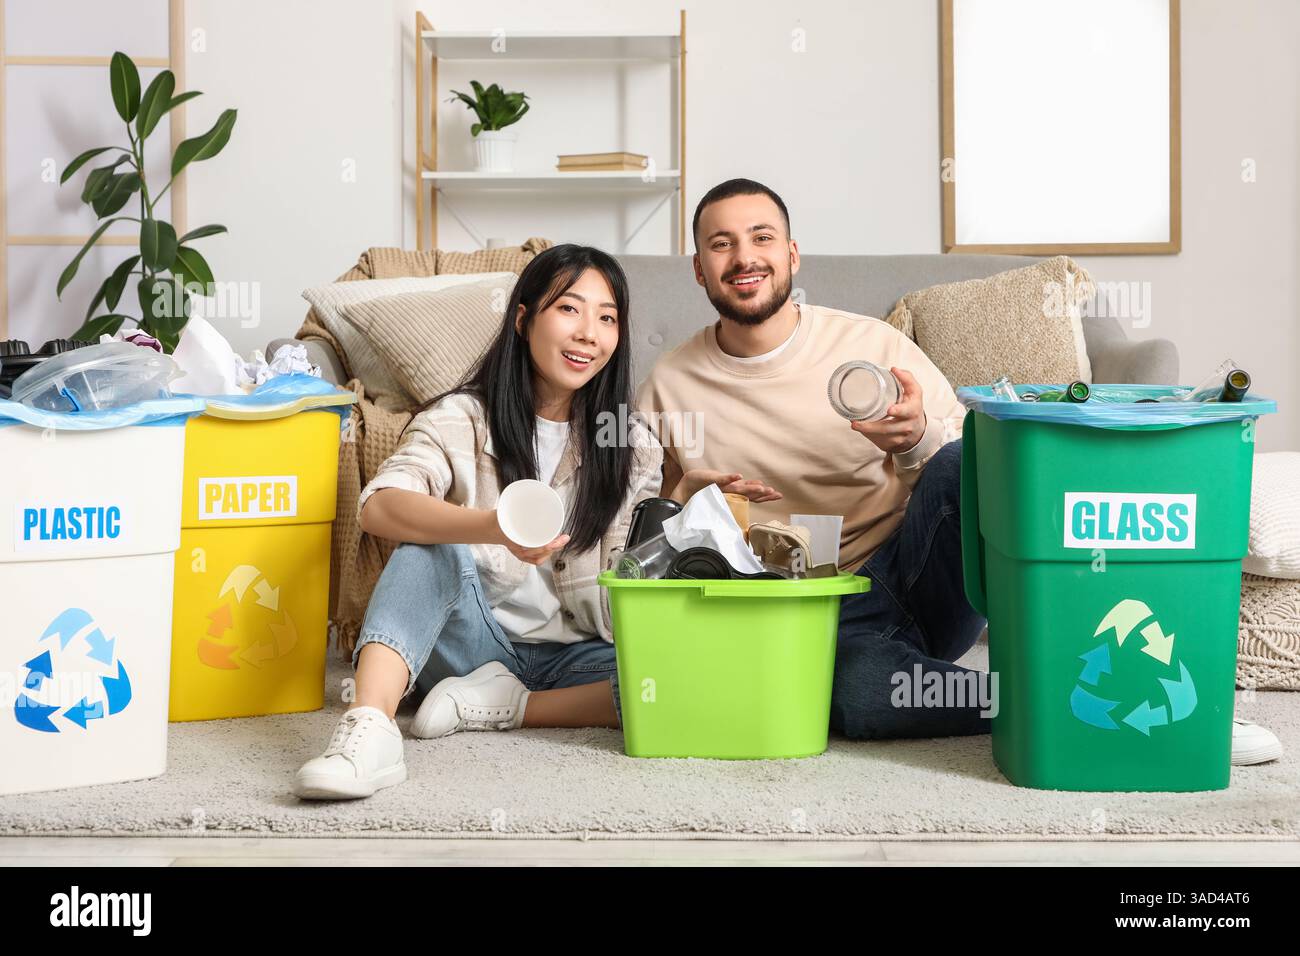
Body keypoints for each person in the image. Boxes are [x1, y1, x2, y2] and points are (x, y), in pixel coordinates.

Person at [637, 178, 991, 741]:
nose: (745, 257)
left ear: (792, 255)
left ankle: (1005, 667)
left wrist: (915, 439)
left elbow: (969, 479)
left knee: (962, 460)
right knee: (858, 693)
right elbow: (647, 543)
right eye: (721, 244)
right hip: (792, 609)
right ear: (699, 269)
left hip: (910, 572)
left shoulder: (873, 345)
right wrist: (682, 503)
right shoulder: (668, 386)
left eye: (762, 237)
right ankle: (1014, 701)